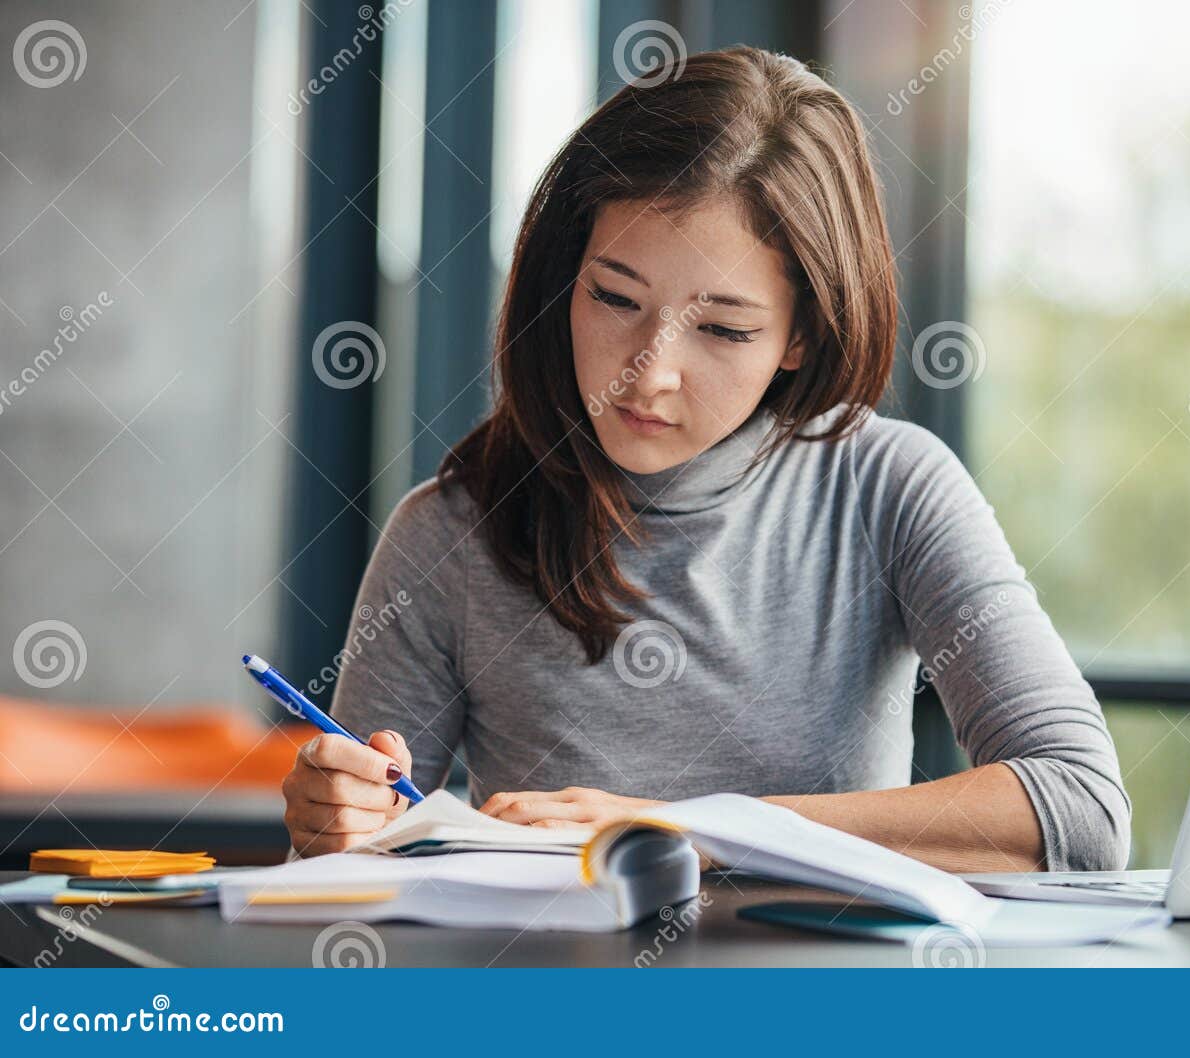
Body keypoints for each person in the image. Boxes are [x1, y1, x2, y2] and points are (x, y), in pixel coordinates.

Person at [280, 45, 1129, 874]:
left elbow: (1080, 808)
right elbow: (350, 887)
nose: (648, 373)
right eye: (614, 297)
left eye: (723, 328)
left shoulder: (890, 488)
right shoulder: (452, 533)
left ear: (800, 335)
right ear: (563, 279)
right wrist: (334, 830)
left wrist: (689, 829)